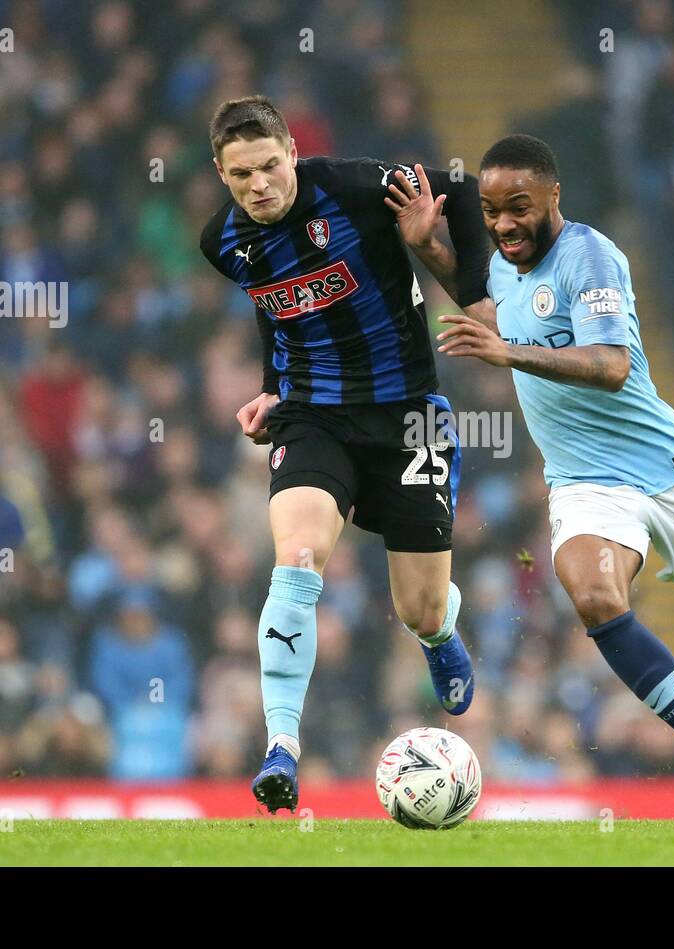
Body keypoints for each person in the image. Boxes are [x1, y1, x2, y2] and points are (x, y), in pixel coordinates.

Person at [410, 133, 674, 823]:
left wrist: (507, 353)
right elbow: (492, 305)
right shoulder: (507, 263)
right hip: (585, 481)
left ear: (553, 195)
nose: (504, 224)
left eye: (518, 206)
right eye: (490, 211)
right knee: (593, 595)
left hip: (665, 468)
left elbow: (609, 366)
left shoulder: (591, 256)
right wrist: (427, 246)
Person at [199, 96, 492, 812]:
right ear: (222, 172)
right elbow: (276, 305)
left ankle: (441, 630)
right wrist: (274, 389)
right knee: (296, 558)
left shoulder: (359, 186)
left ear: (292, 151)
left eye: (270, 166)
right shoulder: (222, 241)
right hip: (312, 418)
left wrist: (477, 296)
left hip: (410, 414)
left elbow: (469, 189)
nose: (260, 184)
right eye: (242, 175)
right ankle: (281, 748)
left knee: (418, 609)